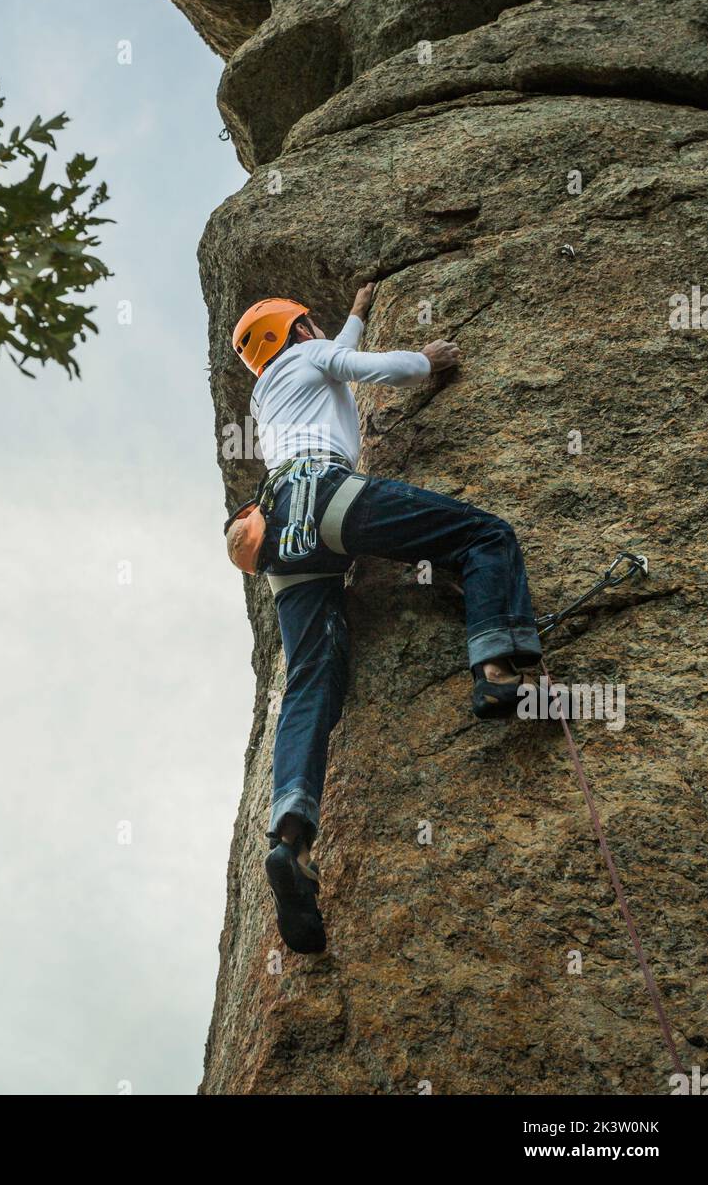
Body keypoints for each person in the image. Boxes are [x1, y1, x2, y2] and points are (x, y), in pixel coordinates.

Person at [231, 283, 541, 953]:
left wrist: (358, 313)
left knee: (311, 684)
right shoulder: (307, 362)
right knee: (485, 537)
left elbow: (335, 355)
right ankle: (495, 666)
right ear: (298, 329)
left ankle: (291, 837)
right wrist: (427, 361)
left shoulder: (272, 389)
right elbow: (360, 368)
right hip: (328, 496)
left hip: (281, 532)